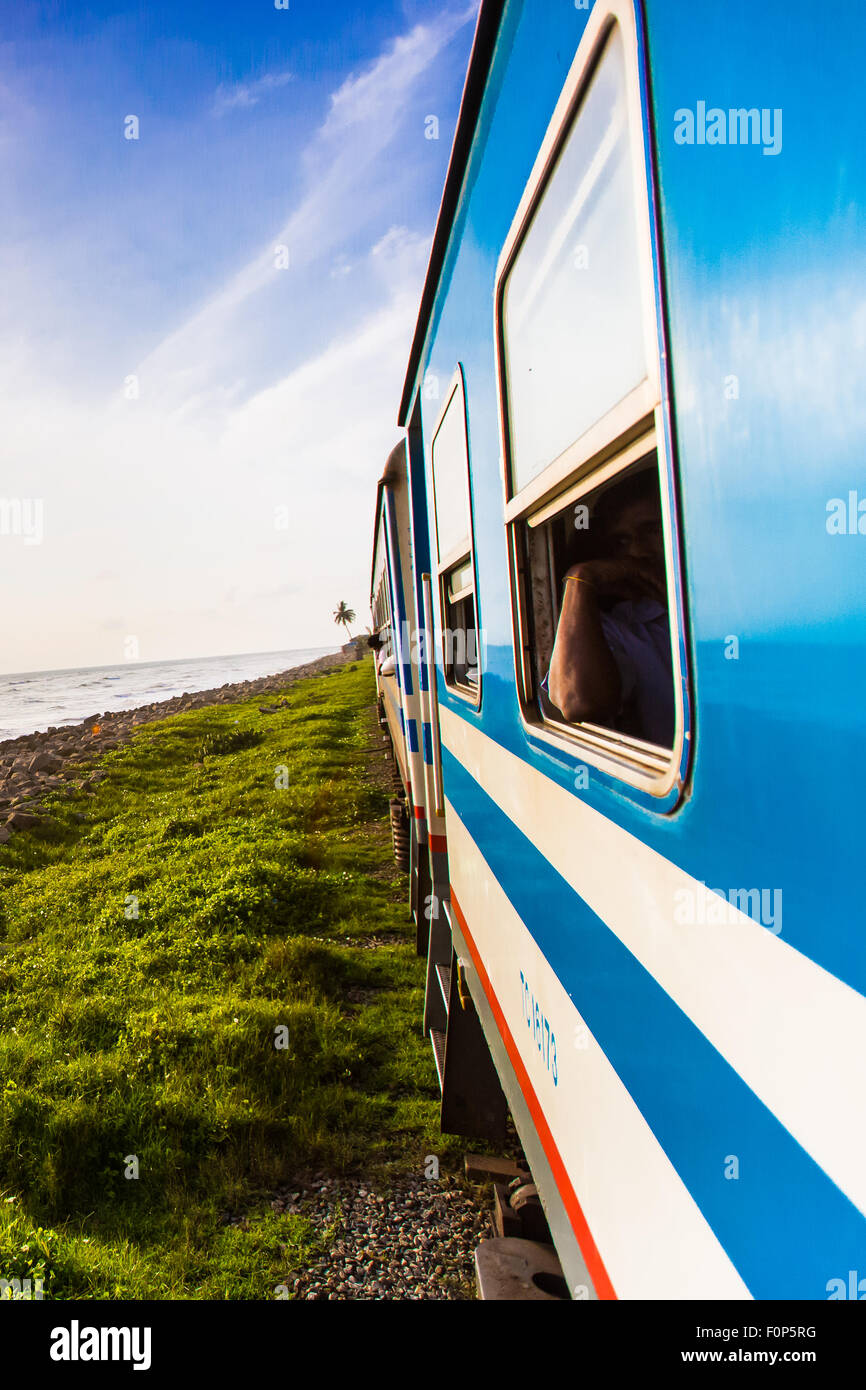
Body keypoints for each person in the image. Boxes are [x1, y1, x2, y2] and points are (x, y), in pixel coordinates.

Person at [546, 473, 675, 748]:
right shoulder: (623, 628)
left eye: (652, 530)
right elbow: (576, 701)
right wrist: (580, 578)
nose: (637, 551)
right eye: (622, 542)